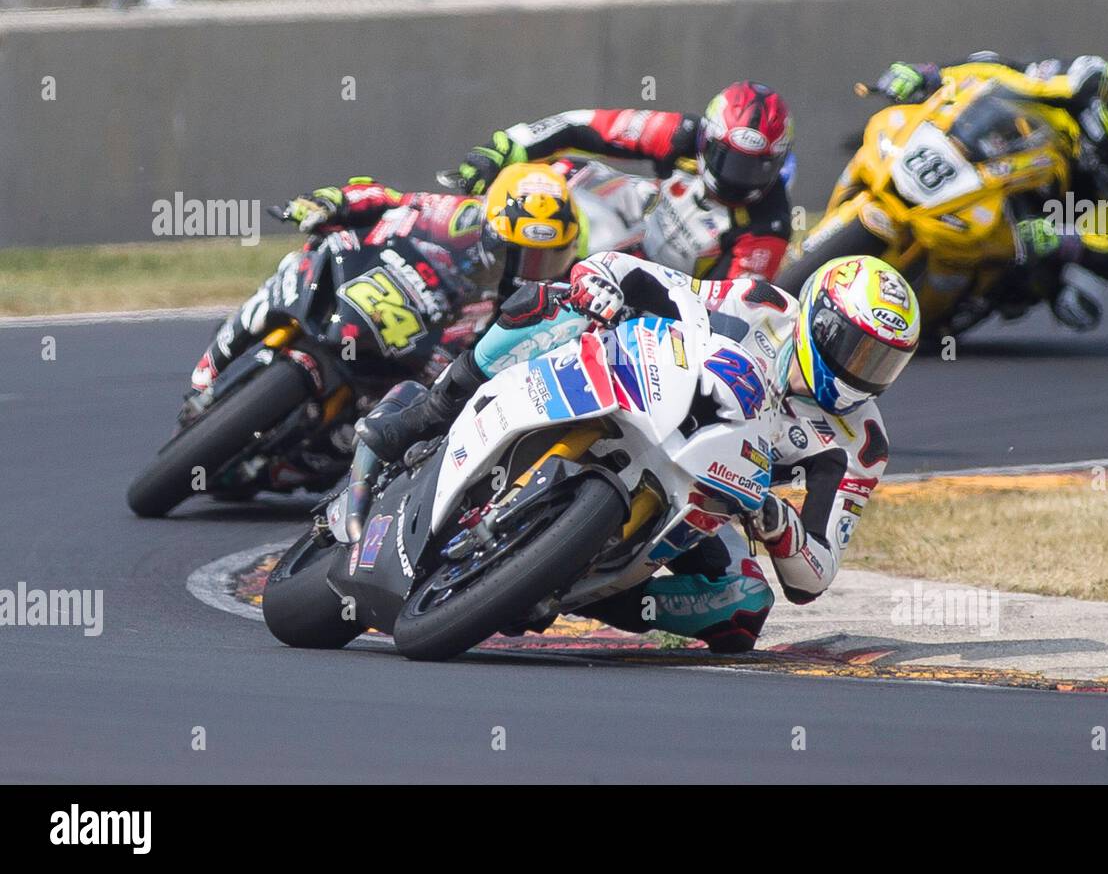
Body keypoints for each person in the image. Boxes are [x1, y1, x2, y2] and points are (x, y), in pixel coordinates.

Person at [354, 250, 919, 652]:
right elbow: (655, 281)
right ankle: (430, 410)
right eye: (855, 347)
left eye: (881, 361)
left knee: (744, 611)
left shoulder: (859, 443)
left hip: (712, 491)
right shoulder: (760, 305)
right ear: (818, 319)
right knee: (549, 303)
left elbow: (815, 574)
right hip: (639, 389)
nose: (860, 370)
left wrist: (777, 523)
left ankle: (579, 591)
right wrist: (602, 281)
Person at [187, 163, 588, 406]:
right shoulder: (453, 215)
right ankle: (209, 371)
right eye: (523, 252)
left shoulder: (540, 303)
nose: (530, 267)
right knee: (300, 262)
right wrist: (328, 202)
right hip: (378, 300)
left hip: (415, 362)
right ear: (494, 229)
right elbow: (388, 198)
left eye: (546, 257)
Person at [874, 34, 1108, 330]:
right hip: (1030, 171)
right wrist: (930, 73)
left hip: (1080, 223)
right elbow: (1007, 74)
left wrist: (1064, 242)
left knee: (1075, 299)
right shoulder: (1084, 78)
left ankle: (1030, 289)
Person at [453, 80, 796, 281]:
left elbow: (731, 306)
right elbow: (584, 125)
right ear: (707, 139)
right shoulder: (682, 133)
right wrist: (507, 146)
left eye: (755, 167)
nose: (738, 177)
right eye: (729, 159)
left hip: (663, 289)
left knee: (605, 243)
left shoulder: (770, 225)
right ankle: (461, 234)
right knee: (559, 174)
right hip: (640, 213)